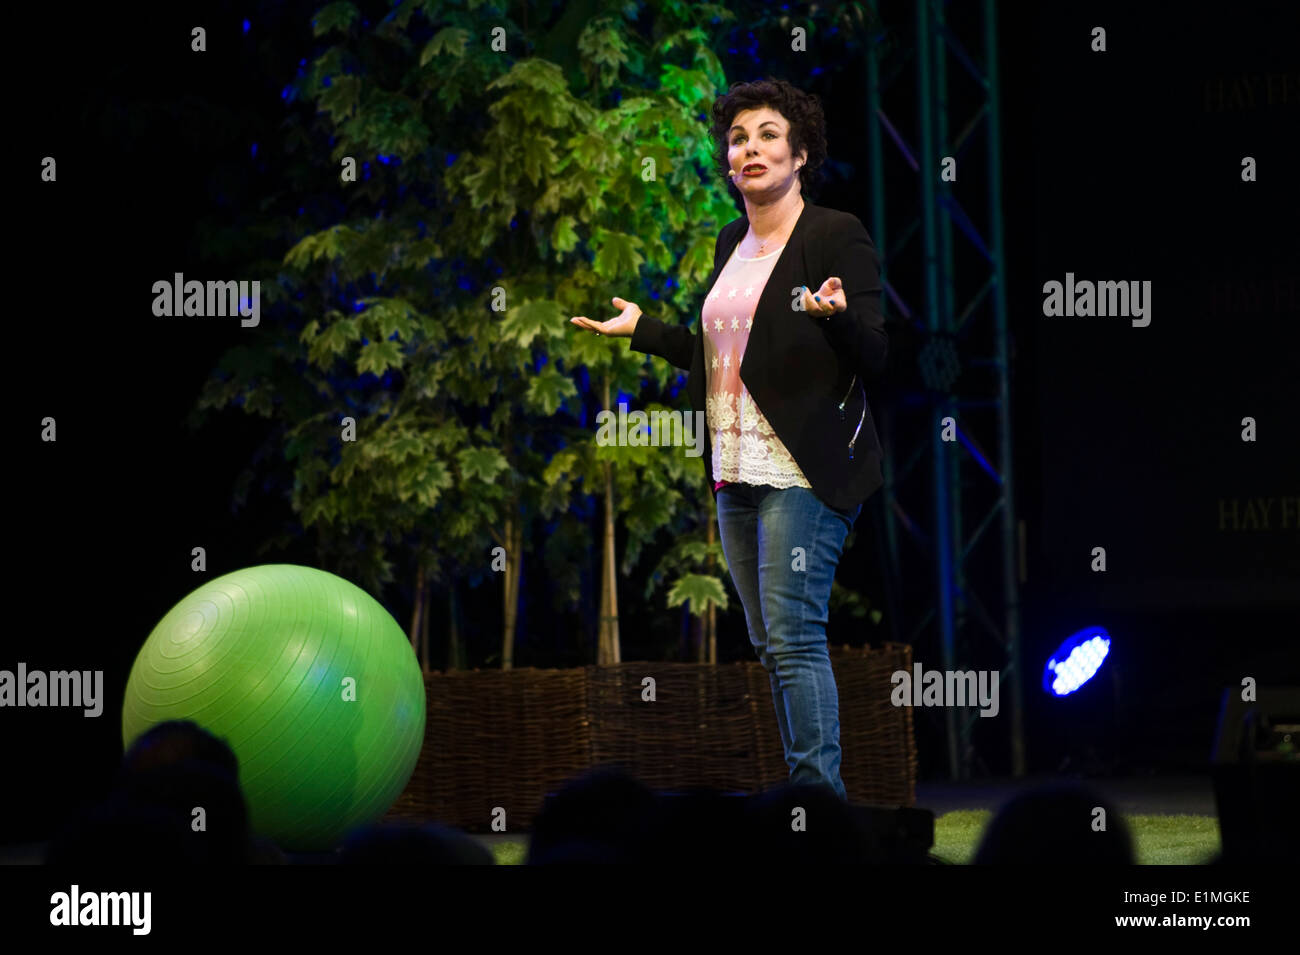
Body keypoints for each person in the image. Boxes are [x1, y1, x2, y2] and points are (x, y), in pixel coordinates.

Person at [570, 77, 887, 800]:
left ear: (800, 152)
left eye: (768, 135)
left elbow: (877, 354)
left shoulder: (832, 234)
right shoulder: (730, 242)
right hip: (734, 470)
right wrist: (643, 331)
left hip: (803, 470)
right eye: (739, 138)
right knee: (771, 642)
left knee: (795, 634)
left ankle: (819, 805)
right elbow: (722, 358)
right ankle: (809, 802)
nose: (749, 149)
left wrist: (835, 317)